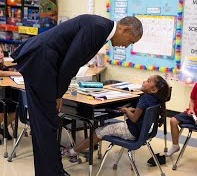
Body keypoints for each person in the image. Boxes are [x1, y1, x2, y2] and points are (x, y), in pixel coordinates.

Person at [10, 14, 143, 176]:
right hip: (41, 62)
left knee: (45, 123)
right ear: (125, 29)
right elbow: (71, 62)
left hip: (43, 62)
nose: (126, 46)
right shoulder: (99, 28)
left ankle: (52, 171)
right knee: (46, 122)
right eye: (130, 41)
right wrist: (58, 94)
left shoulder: (101, 27)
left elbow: (70, 59)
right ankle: (52, 172)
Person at [72, 75, 169, 156]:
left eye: (148, 81)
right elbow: (143, 112)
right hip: (141, 133)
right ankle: (80, 149)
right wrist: (133, 110)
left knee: (99, 131)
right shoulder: (154, 100)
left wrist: (127, 110)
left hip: (131, 132)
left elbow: (134, 119)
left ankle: (73, 152)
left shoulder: (144, 99)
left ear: (154, 89)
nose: (144, 81)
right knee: (108, 125)